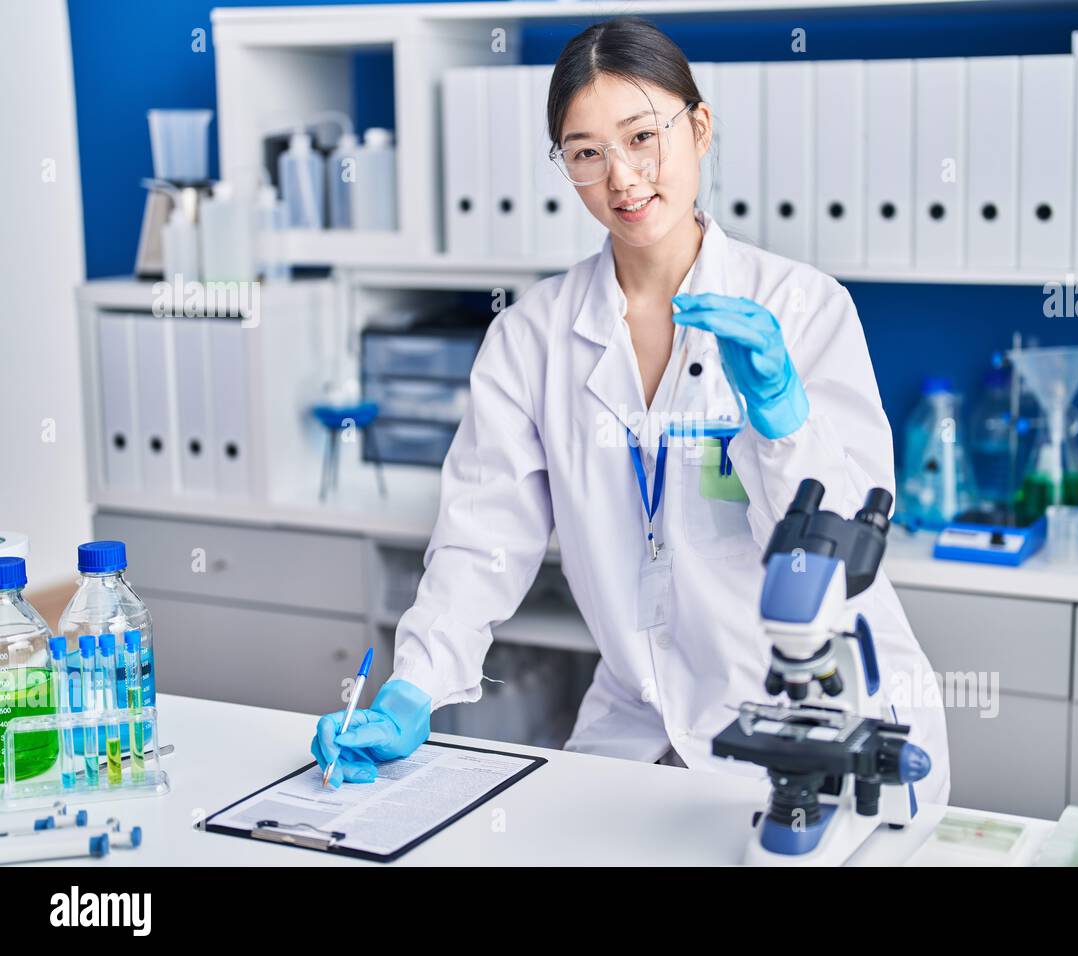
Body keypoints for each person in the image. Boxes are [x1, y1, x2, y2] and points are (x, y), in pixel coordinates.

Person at [313, 16, 950, 804]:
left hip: (814, 717)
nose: (620, 177)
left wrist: (782, 421)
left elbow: (847, 553)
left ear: (700, 127)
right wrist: (413, 684)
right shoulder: (529, 338)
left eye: (642, 136)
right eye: (586, 153)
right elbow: (483, 541)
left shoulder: (802, 308)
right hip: (635, 728)